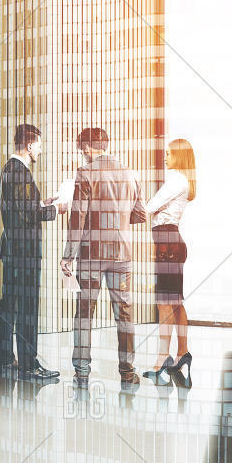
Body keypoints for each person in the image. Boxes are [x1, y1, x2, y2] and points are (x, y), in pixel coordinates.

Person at [60, 126, 146, 389]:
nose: (81, 154)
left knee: (85, 314)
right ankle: (127, 372)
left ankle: (82, 373)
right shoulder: (131, 173)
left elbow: (78, 217)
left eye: (81, 149)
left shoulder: (85, 173)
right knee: (125, 314)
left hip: (92, 255)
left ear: (87, 147)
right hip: (122, 255)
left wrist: (67, 256)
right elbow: (141, 215)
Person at [0, 123, 65, 382]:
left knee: (9, 306)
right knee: (27, 308)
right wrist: (58, 210)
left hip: (12, 248)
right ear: (29, 145)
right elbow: (29, 213)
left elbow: (19, 208)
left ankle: (6, 360)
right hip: (24, 252)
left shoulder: (6, 171)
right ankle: (28, 364)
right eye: (39, 146)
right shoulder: (20, 172)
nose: (41, 151)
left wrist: (43, 202)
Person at [143, 139, 196, 387]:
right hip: (171, 245)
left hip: (168, 246)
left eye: (169, 154)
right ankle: (182, 354)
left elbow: (150, 207)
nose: (165, 157)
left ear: (179, 156)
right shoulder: (182, 180)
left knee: (165, 305)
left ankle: (162, 359)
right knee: (175, 303)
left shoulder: (176, 179)